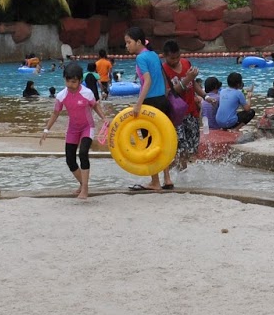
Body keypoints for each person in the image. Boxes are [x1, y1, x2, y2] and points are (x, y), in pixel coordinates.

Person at [39, 62, 108, 199]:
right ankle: (83, 184)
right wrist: (46, 130)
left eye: (74, 82)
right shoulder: (61, 96)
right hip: (73, 129)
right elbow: (55, 113)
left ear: (80, 80)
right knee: (70, 160)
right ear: (64, 79)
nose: (71, 85)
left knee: (83, 153)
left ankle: (85, 189)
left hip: (87, 127)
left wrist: (104, 118)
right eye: (68, 81)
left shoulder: (87, 93)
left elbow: (95, 106)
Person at [125, 27, 173, 192]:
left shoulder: (141, 58)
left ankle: (155, 182)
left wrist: (138, 104)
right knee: (162, 140)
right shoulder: (153, 55)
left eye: (129, 42)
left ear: (138, 42)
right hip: (162, 101)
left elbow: (147, 80)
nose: (127, 46)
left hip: (151, 103)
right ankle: (167, 179)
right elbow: (162, 79)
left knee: (150, 144)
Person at [163, 41, 201, 171]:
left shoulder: (186, 63)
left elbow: (193, 83)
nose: (175, 60)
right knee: (180, 147)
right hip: (176, 114)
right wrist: (187, 79)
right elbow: (169, 92)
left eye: (177, 57)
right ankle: (180, 173)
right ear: (165, 56)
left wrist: (205, 96)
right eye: (172, 58)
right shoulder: (163, 70)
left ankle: (175, 168)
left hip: (191, 111)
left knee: (192, 147)